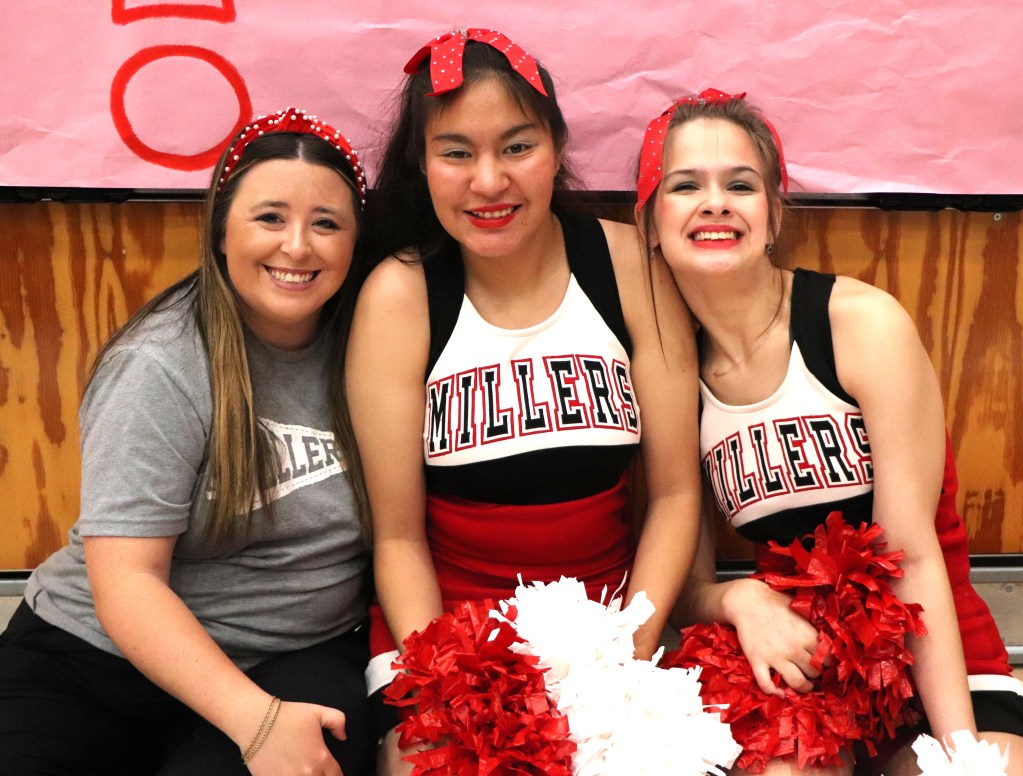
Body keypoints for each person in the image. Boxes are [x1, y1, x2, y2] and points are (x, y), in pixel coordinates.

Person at [635, 89, 1023, 775]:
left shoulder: (859, 324)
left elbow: (913, 557)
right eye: (685, 185)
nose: (715, 203)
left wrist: (957, 754)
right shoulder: (671, 375)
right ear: (649, 222)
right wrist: (739, 598)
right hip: (802, 668)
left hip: (938, 656)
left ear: (775, 213)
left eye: (741, 185)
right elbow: (686, 583)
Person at [345, 29, 702, 774]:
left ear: (557, 146)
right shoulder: (399, 296)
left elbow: (673, 495)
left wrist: (622, 655)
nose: (489, 181)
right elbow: (398, 540)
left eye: (516, 147)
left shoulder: (628, 267)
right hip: (445, 635)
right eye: (455, 153)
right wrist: (452, 681)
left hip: (612, 629)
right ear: (421, 165)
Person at [0, 107, 373, 776]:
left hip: (295, 656)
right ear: (221, 231)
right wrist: (255, 724)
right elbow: (128, 581)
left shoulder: (380, 343)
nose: (297, 247)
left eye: (326, 223)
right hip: (99, 655)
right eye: (270, 218)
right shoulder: (160, 363)